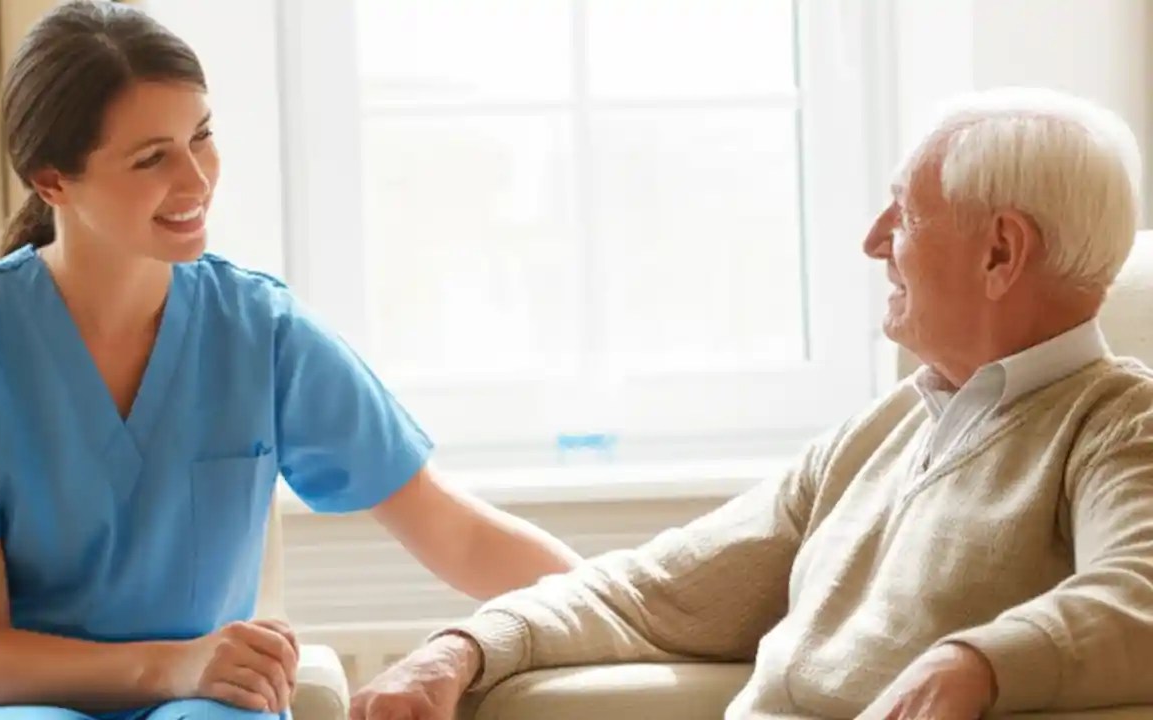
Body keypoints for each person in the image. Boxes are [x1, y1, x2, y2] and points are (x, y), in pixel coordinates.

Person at [350, 87, 1153, 720]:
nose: (874, 242)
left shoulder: (1117, 424)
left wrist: (971, 664)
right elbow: (651, 592)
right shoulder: (880, 432)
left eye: (904, 214)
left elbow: (1140, 590)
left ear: (1001, 252)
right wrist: (461, 648)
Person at [0, 3, 581, 719]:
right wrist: (172, 665)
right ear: (52, 180)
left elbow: (451, 529)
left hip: (198, 699)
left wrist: (631, 605)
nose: (196, 179)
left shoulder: (260, 332)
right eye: (152, 158)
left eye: (201, 137)